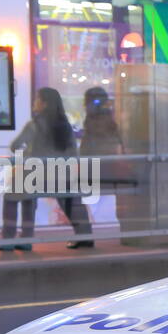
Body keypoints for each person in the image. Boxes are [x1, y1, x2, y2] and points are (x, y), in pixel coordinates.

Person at [0, 87, 76, 252]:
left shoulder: (34, 125)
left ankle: (8, 238)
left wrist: (27, 151)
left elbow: (14, 145)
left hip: (34, 172)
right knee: (28, 198)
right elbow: (73, 152)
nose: (34, 102)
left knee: (11, 198)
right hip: (56, 175)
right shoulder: (66, 126)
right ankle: (26, 238)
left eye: (37, 99)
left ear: (44, 103)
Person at [72, 86, 124, 248]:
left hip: (98, 164)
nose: (85, 105)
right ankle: (90, 232)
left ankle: (88, 234)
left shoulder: (100, 119)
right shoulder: (101, 117)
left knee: (87, 198)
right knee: (91, 197)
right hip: (98, 163)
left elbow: (100, 138)